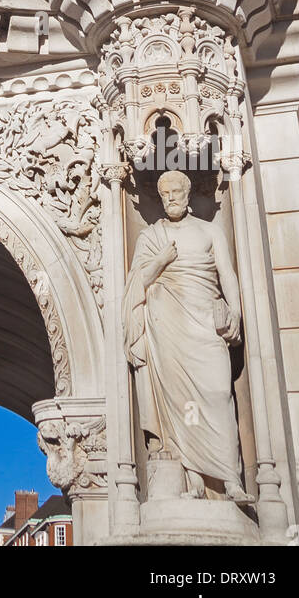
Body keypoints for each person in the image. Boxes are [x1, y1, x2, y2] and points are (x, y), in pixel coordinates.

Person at [122, 168, 252, 503]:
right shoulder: (151, 237)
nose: (170, 199)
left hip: (205, 323)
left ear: (188, 194)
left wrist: (235, 313)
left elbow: (227, 275)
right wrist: (161, 261)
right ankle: (194, 482)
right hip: (168, 329)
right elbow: (136, 284)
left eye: (176, 193)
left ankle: (231, 478)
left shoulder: (210, 231)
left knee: (219, 394)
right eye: (164, 195)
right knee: (183, 406)